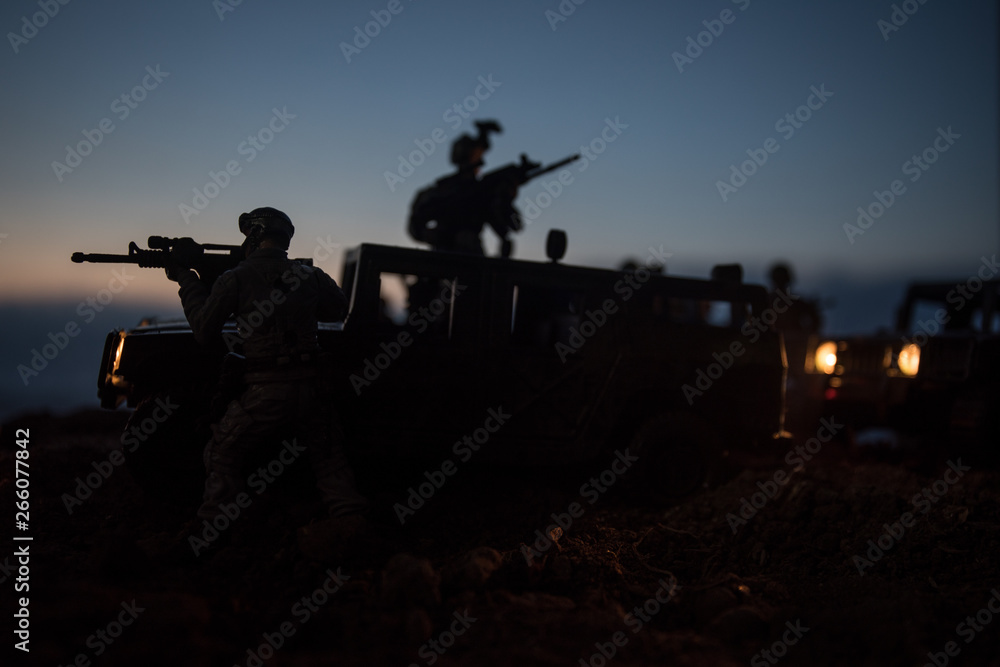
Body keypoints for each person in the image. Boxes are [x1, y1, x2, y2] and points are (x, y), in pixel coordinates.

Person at [166, 207, 368, 525]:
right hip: (313, 387)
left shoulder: (236, 278)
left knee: (222, 453)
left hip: (265, 390)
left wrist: (187, 280)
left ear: (255, 235)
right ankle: (352, 525)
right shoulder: (311, 276)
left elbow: (204, 330)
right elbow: (337, 309)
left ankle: (214, 527)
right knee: (330, 462)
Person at [407, 119, 522, 256]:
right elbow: (416, 221)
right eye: (477, 153)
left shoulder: (481, 192)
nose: (480, 158)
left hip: (472, 260)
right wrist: (433, 235)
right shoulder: (444, 189)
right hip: (444, 257)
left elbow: (511, 225)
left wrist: (505, 198)